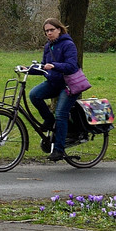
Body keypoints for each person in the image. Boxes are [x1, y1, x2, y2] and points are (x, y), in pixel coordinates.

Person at [30, 17, 81, 161]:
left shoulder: (68, 45)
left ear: (59, 29)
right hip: (54, 83)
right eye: (47, 31)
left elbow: (72, 66)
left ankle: (59, 150)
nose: (49, 33)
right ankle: (48, 120)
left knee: (60, 114)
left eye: (52, 30)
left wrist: (55, 66)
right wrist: (28, 69)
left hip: (69, 84)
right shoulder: (48, 46)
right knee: (34, 95)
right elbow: (43, 66)